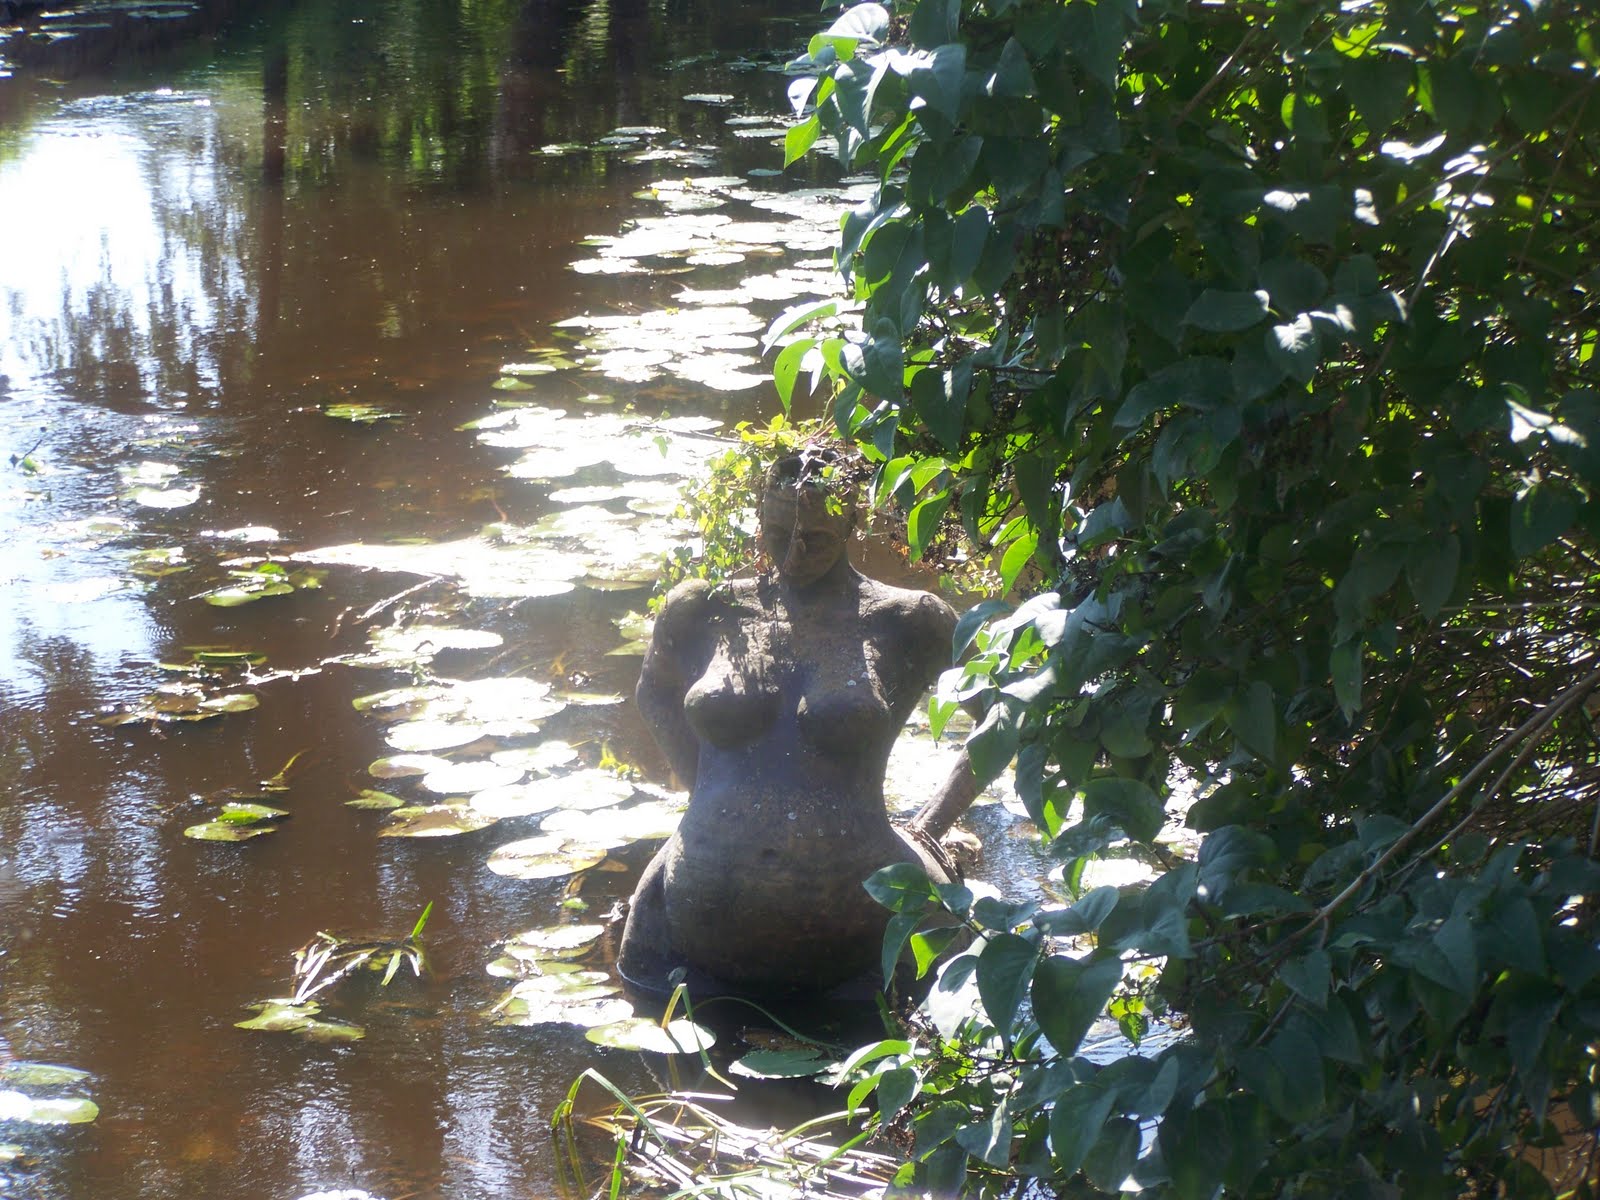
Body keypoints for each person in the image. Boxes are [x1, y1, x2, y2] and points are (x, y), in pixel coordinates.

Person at [617, 447, 980, 996]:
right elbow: (653, 695)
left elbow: (1006, 715)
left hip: (859, 927)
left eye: (815, 539)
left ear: (851, 521)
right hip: (694, 911)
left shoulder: (907, 620)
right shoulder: (708, 609)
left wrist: (929, 826)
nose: (791, 555)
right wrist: (708, 796)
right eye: (776, 532)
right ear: (757, 519)